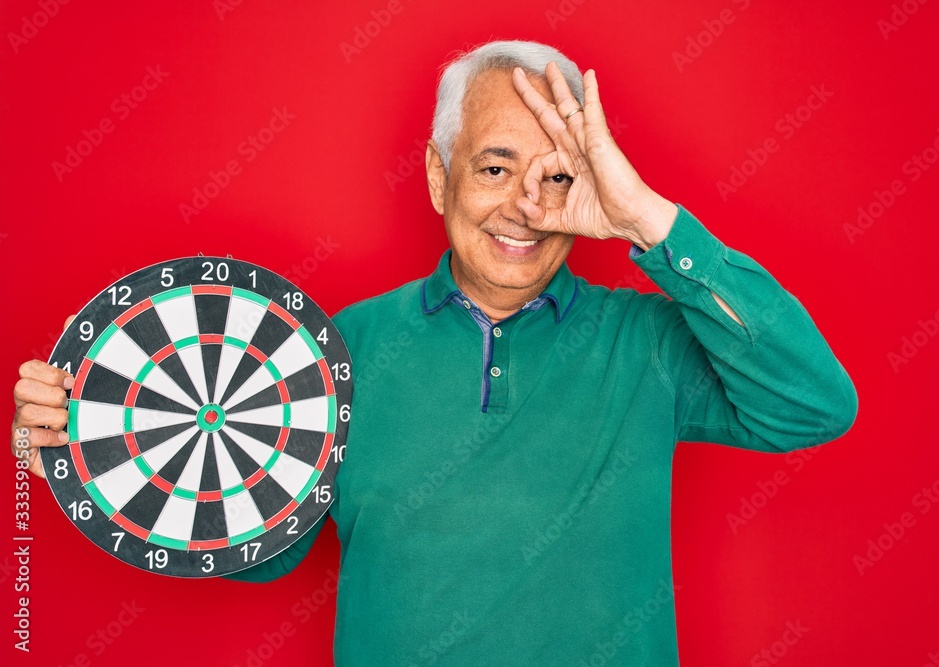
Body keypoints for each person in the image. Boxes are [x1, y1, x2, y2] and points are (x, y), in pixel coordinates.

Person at [10, 40, 857, 665]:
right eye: (494, 168)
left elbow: (815, 404)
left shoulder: (647, 342)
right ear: (436, 176)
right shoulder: (333, 352)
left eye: (557, 175)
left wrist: (647, 220)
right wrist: (95, 459)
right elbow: (273, 545)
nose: (526, 207)